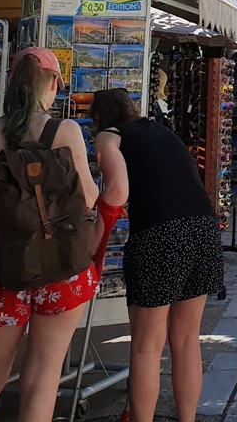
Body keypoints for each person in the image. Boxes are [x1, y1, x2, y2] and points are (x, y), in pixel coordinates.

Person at [0, 48, 106, 422]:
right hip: (62, 269)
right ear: (51, 84)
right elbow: (89, 196)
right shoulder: (65, 131)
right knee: (43, 379)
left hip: (5, 270)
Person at [90, 88, 221, 422]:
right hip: (204, 228)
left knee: (147, 346)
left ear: (99, 118)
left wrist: (94, 237)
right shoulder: (160, 131)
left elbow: (117, 192)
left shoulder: (109, 136)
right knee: (187, 339)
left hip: (160, 234)